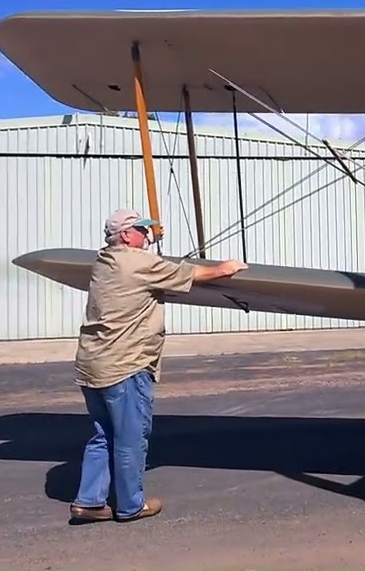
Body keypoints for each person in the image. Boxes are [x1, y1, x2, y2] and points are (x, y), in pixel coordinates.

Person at [68, 208, 247, 523]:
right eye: (141, 229)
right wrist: (225, 268)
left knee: (102, 434)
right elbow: (193, 275)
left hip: (92, 365)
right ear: (126, 235)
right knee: (131, 437)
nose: (148, 235)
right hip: (125, 366)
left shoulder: (103, 262)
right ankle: (130, 506)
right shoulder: (138, 262)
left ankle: (90, 501)